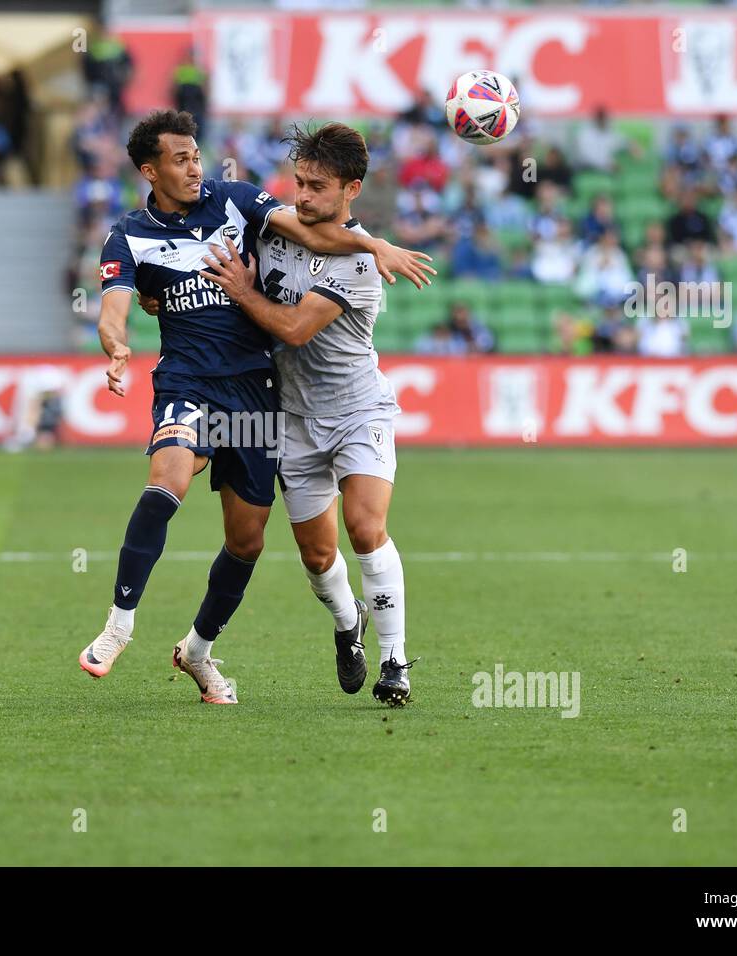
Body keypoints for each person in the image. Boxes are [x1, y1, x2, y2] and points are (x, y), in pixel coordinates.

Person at [79, 109, 432, 704]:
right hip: (208, 387)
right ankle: (120, 623)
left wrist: (375, 245)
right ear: (150, 170)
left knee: (275, 540)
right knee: (180, 483)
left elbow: (303, 283)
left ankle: (209, 651)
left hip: (291, 398)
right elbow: (120, 301)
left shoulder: (256, 211)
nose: (195, 166)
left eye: (196, 155)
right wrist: (117, 345)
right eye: (181, 159)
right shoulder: (146, 232)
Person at [196, 123, 419, 705]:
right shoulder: (276, 228)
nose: (303, 195)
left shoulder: (364, 264)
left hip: (356, 408)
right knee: (318, 558)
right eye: (298, 182)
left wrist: (245, 294)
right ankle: (350, 626)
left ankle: (396, 662)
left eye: (317, 186)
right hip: (291, 417)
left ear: (352, 189)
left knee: (366, 530)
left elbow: (294, 329)